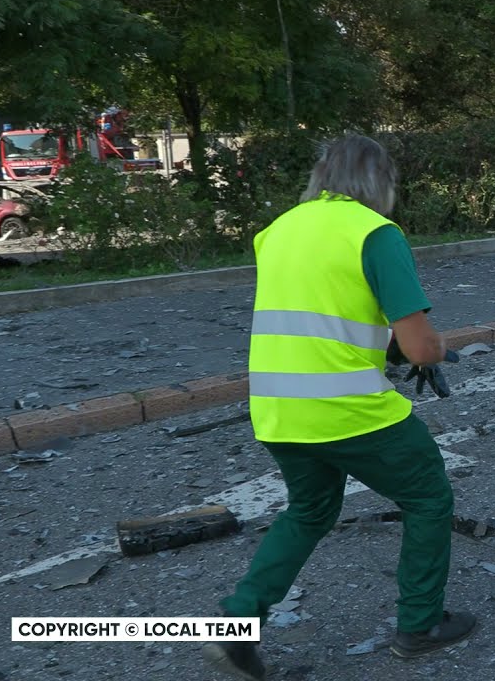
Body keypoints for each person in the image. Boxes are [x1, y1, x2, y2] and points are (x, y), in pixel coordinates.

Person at [203, 134, 476, 681]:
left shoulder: (278, 230)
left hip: (279, 409)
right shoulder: (375, 233)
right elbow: (422, 345)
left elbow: (326, 310)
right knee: (426, 496)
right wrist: (432, 350)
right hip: (349, 409)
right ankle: (419, 627)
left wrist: (386, 343)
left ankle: (235, 625)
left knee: (309, 510)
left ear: (322, 176)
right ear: (381, 182)